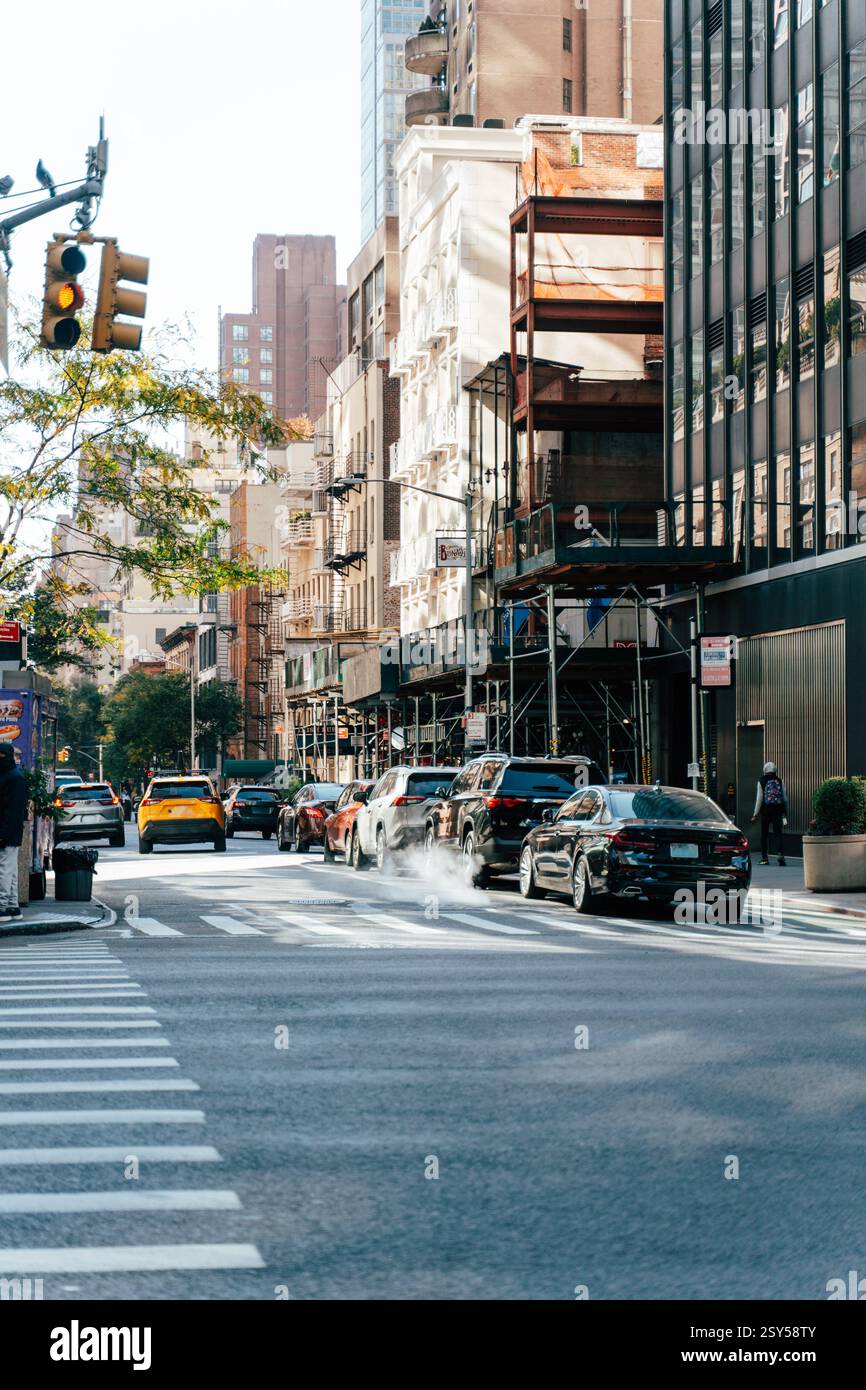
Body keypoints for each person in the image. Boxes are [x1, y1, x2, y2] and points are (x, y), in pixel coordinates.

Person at [0, 742, 27, 920]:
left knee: (4, 868)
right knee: (10, 868)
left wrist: (3, 832)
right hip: (10, 830)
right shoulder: (14, 776)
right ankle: (12, 906)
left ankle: (2, 906)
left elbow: (12, 809)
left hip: (7, 830)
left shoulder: (13, 778)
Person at [751, 760, 788, 866]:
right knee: (778, 834)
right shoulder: (779, 781)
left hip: (766, 811)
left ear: (765, 770)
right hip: (777, 810)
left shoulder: (761, 781)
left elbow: (759, 799)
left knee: (764, 835)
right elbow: (785, 798)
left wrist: (755, 814)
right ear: (775, 770)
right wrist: (785, 810)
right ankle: (780, 854)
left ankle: (764, 858)